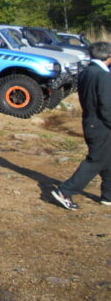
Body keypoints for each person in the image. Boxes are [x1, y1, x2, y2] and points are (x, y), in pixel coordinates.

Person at [51, 42, 111, 210]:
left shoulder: (86, 72)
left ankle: (108, 196)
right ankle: (65, 191)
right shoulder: (103, 75)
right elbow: (106, 105)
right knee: (96, 160)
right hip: (101, 124)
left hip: (90, 121)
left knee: (108, 160)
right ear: (108, 57)